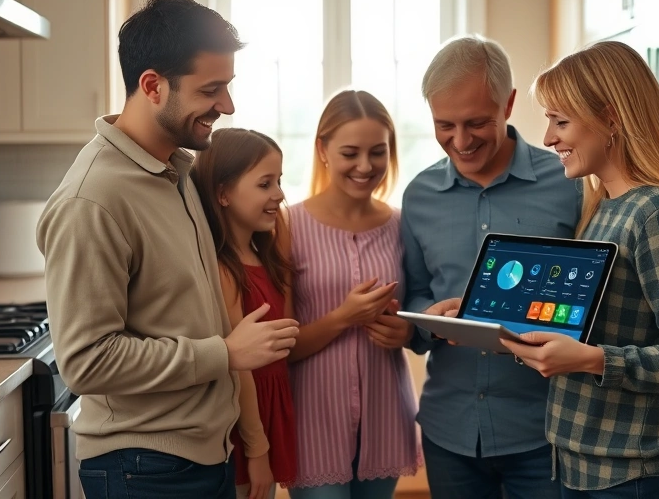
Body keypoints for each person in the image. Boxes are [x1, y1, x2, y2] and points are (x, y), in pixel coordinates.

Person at [36, 0, 299, 499]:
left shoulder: (173, 171)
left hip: (201, 455)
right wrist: (222, 353)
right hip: (143, 469)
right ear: (153, 86)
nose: (227, 105)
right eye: (211, 90)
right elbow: (86, 362)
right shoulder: (92, 199)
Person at [500, 40, 659, 498]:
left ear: (611, 118)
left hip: (636, 475)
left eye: (560, 121)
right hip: (584, 465)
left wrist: (592, 358)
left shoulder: (657, 211)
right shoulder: (602, 207)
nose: (547, 139)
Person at [400, 35, 575, 499]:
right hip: (449, 430)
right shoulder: (419, 196)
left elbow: (602, 288)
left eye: (476, 122)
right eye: (444, 125)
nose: (460, 141)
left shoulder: (570, 184)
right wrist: (431, 319)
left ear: (510, 104)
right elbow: (415, 293)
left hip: (545, 431)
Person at [284, 90, 422, 499]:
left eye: (378, 152)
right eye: (350, 153)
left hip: (386, 414)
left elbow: (416, 312)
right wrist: (344, 316)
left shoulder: (402, 224)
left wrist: (406, 333)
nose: (366, 166)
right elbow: (281, 346)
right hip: (312, 418)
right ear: (322, 150)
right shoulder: (287, 226)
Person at [191, 128, 298, 499]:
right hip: (247, 426)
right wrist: (257, 449)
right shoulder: (225, 269)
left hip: (268, 415)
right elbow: (241, 368)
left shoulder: (260, 254)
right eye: (265, 184)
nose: (279, 194)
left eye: (279, 181)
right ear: (222, 193)